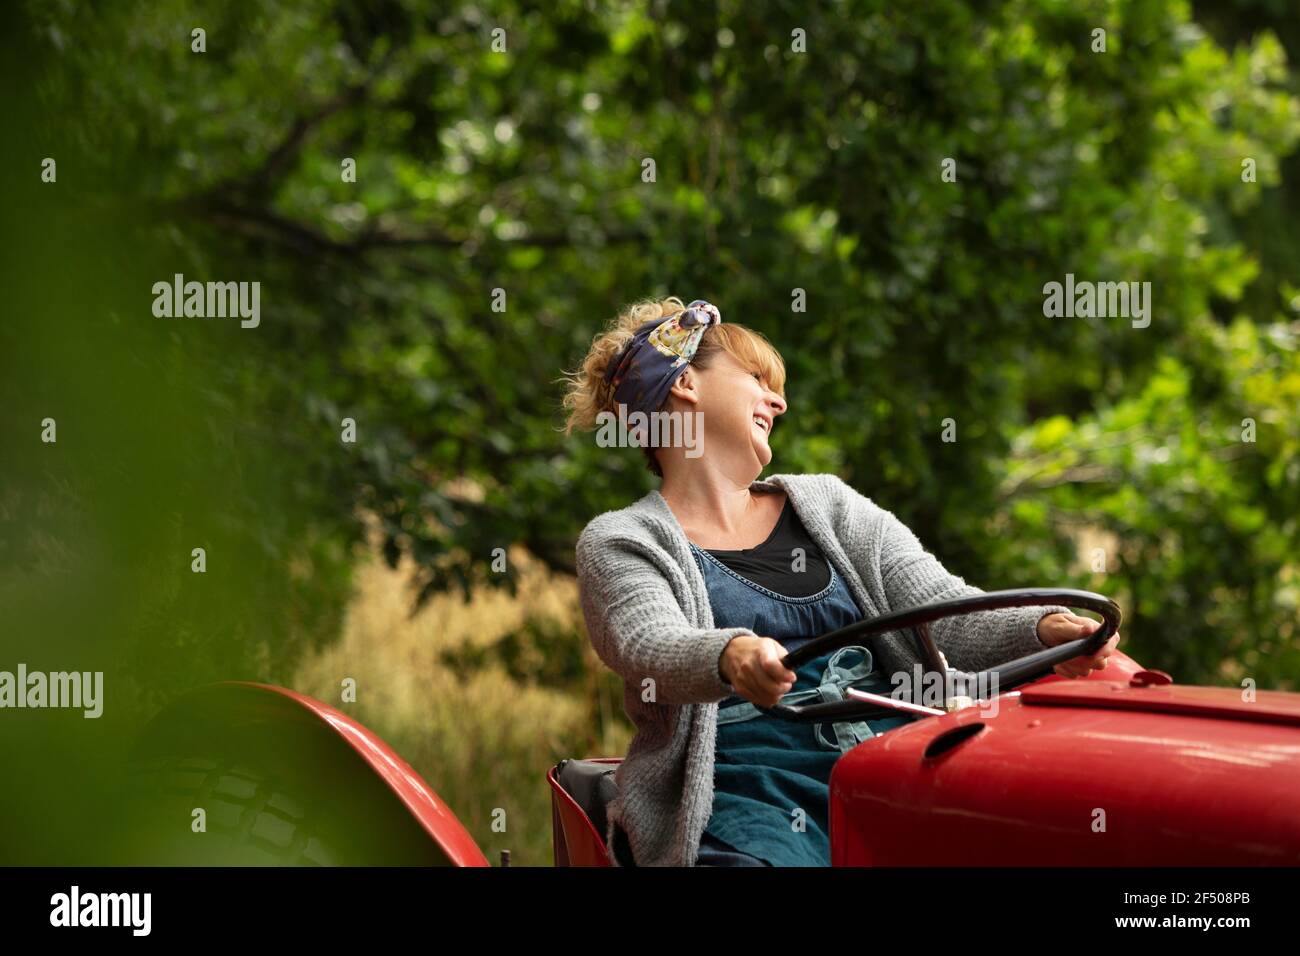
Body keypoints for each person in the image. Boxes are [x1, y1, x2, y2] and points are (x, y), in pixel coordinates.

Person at [562, 295, 1121, 867]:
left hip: (898, 765)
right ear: (685, 383)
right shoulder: (622, 539)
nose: (777, 401)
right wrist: (731, 655)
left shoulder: (830, 505)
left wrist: (1043, 627)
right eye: (757, 378)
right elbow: (648, 643)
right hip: (749, 793)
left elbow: (944, 611)